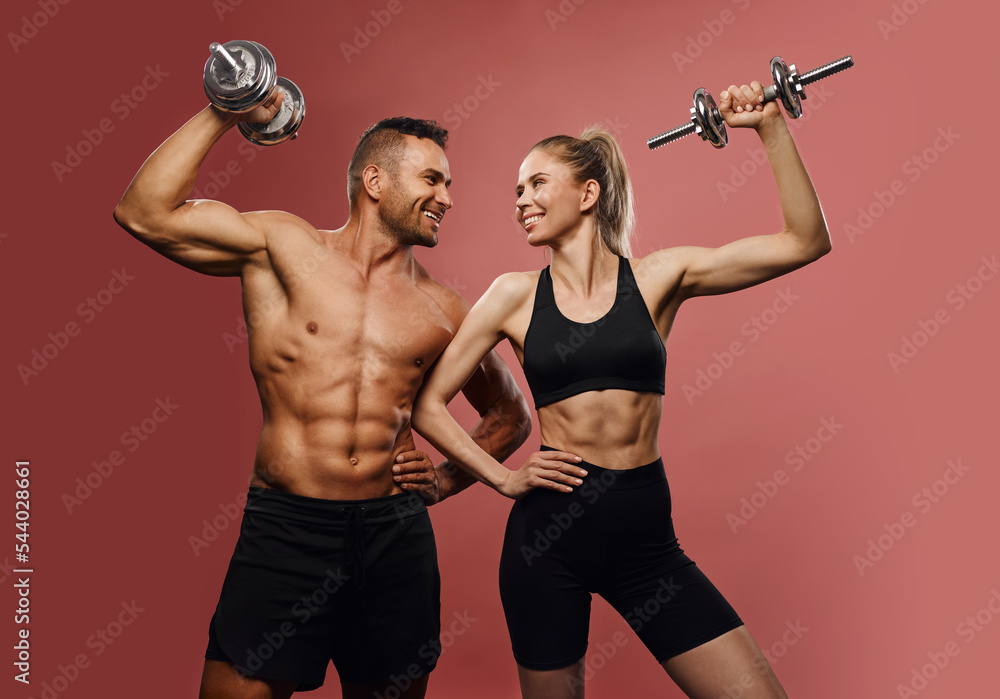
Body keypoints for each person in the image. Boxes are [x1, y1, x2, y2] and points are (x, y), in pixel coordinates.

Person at [112, 91, 571, 698]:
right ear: (374, 180)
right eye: (432, 179)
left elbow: (509, 414)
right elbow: (144, 212)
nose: (448, 198)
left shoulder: (443, 308)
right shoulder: (283, 247)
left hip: (393, 535)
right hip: (287, 527)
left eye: (449, 184)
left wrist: (443, 480)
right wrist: (228, 108)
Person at [412, 80, 832, 699]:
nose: (522, 201)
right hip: (547, 540)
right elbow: (427, 404)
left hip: (646, 541)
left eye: (536, 184)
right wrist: (501, 479)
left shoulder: (660, 276)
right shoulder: (512, 295)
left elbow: (805, 241)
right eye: (517, 191)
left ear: (587, 193)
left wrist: (770, 127)